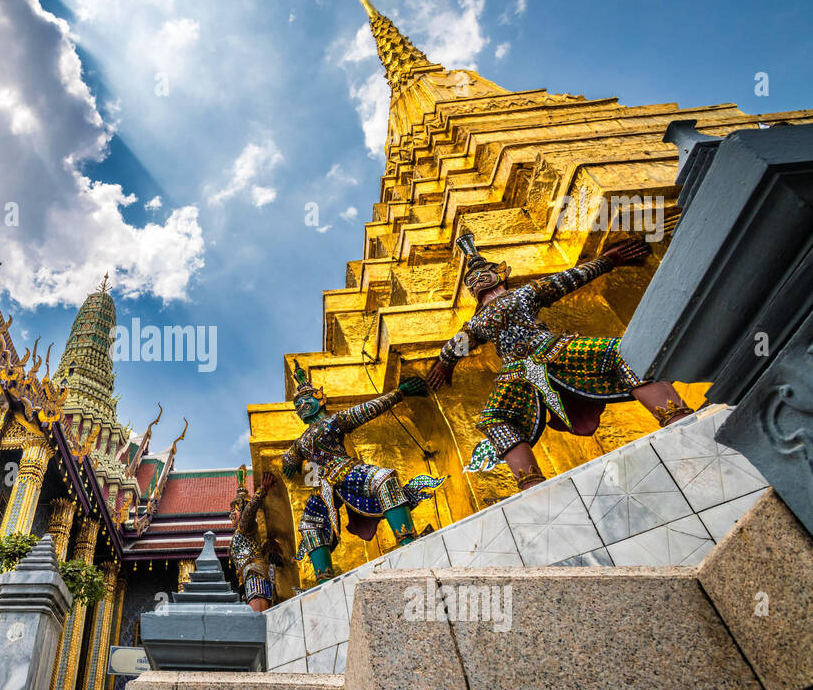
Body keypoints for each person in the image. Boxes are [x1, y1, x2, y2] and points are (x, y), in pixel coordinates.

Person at [427, 233, 694, 490]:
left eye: (481, 275)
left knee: (496, 420)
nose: (478, 280)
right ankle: (675, 418)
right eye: (474, 280)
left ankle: (676, 419)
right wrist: (607, 261)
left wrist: (444, 364)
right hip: (542, 356)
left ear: (498, 276)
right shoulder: (501, 307)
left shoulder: (497, 310)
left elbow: (455, 347)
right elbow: (566, 279)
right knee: (623, 353)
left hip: (527, 364)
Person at [281, 361, 444, 580]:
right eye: (297, 404)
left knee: (383, 479)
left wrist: (398, 394)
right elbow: (288, 461)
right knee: (309, 524)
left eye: (305, 400)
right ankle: (324, 578)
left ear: (320, 399)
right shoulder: (299, 442)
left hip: (346, 470)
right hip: (322, 486)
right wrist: (287, 464)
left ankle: (407, 539)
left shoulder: (334, 421)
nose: (301, 406)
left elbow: (366, 410)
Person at [228, 466, 276, 612]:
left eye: (234, 510)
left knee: (259, 616)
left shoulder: (244, 527)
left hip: (255, 574)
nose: (231, 515)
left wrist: (262, 490)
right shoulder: (240, 534)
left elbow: (249, 512)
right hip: (249, 576)